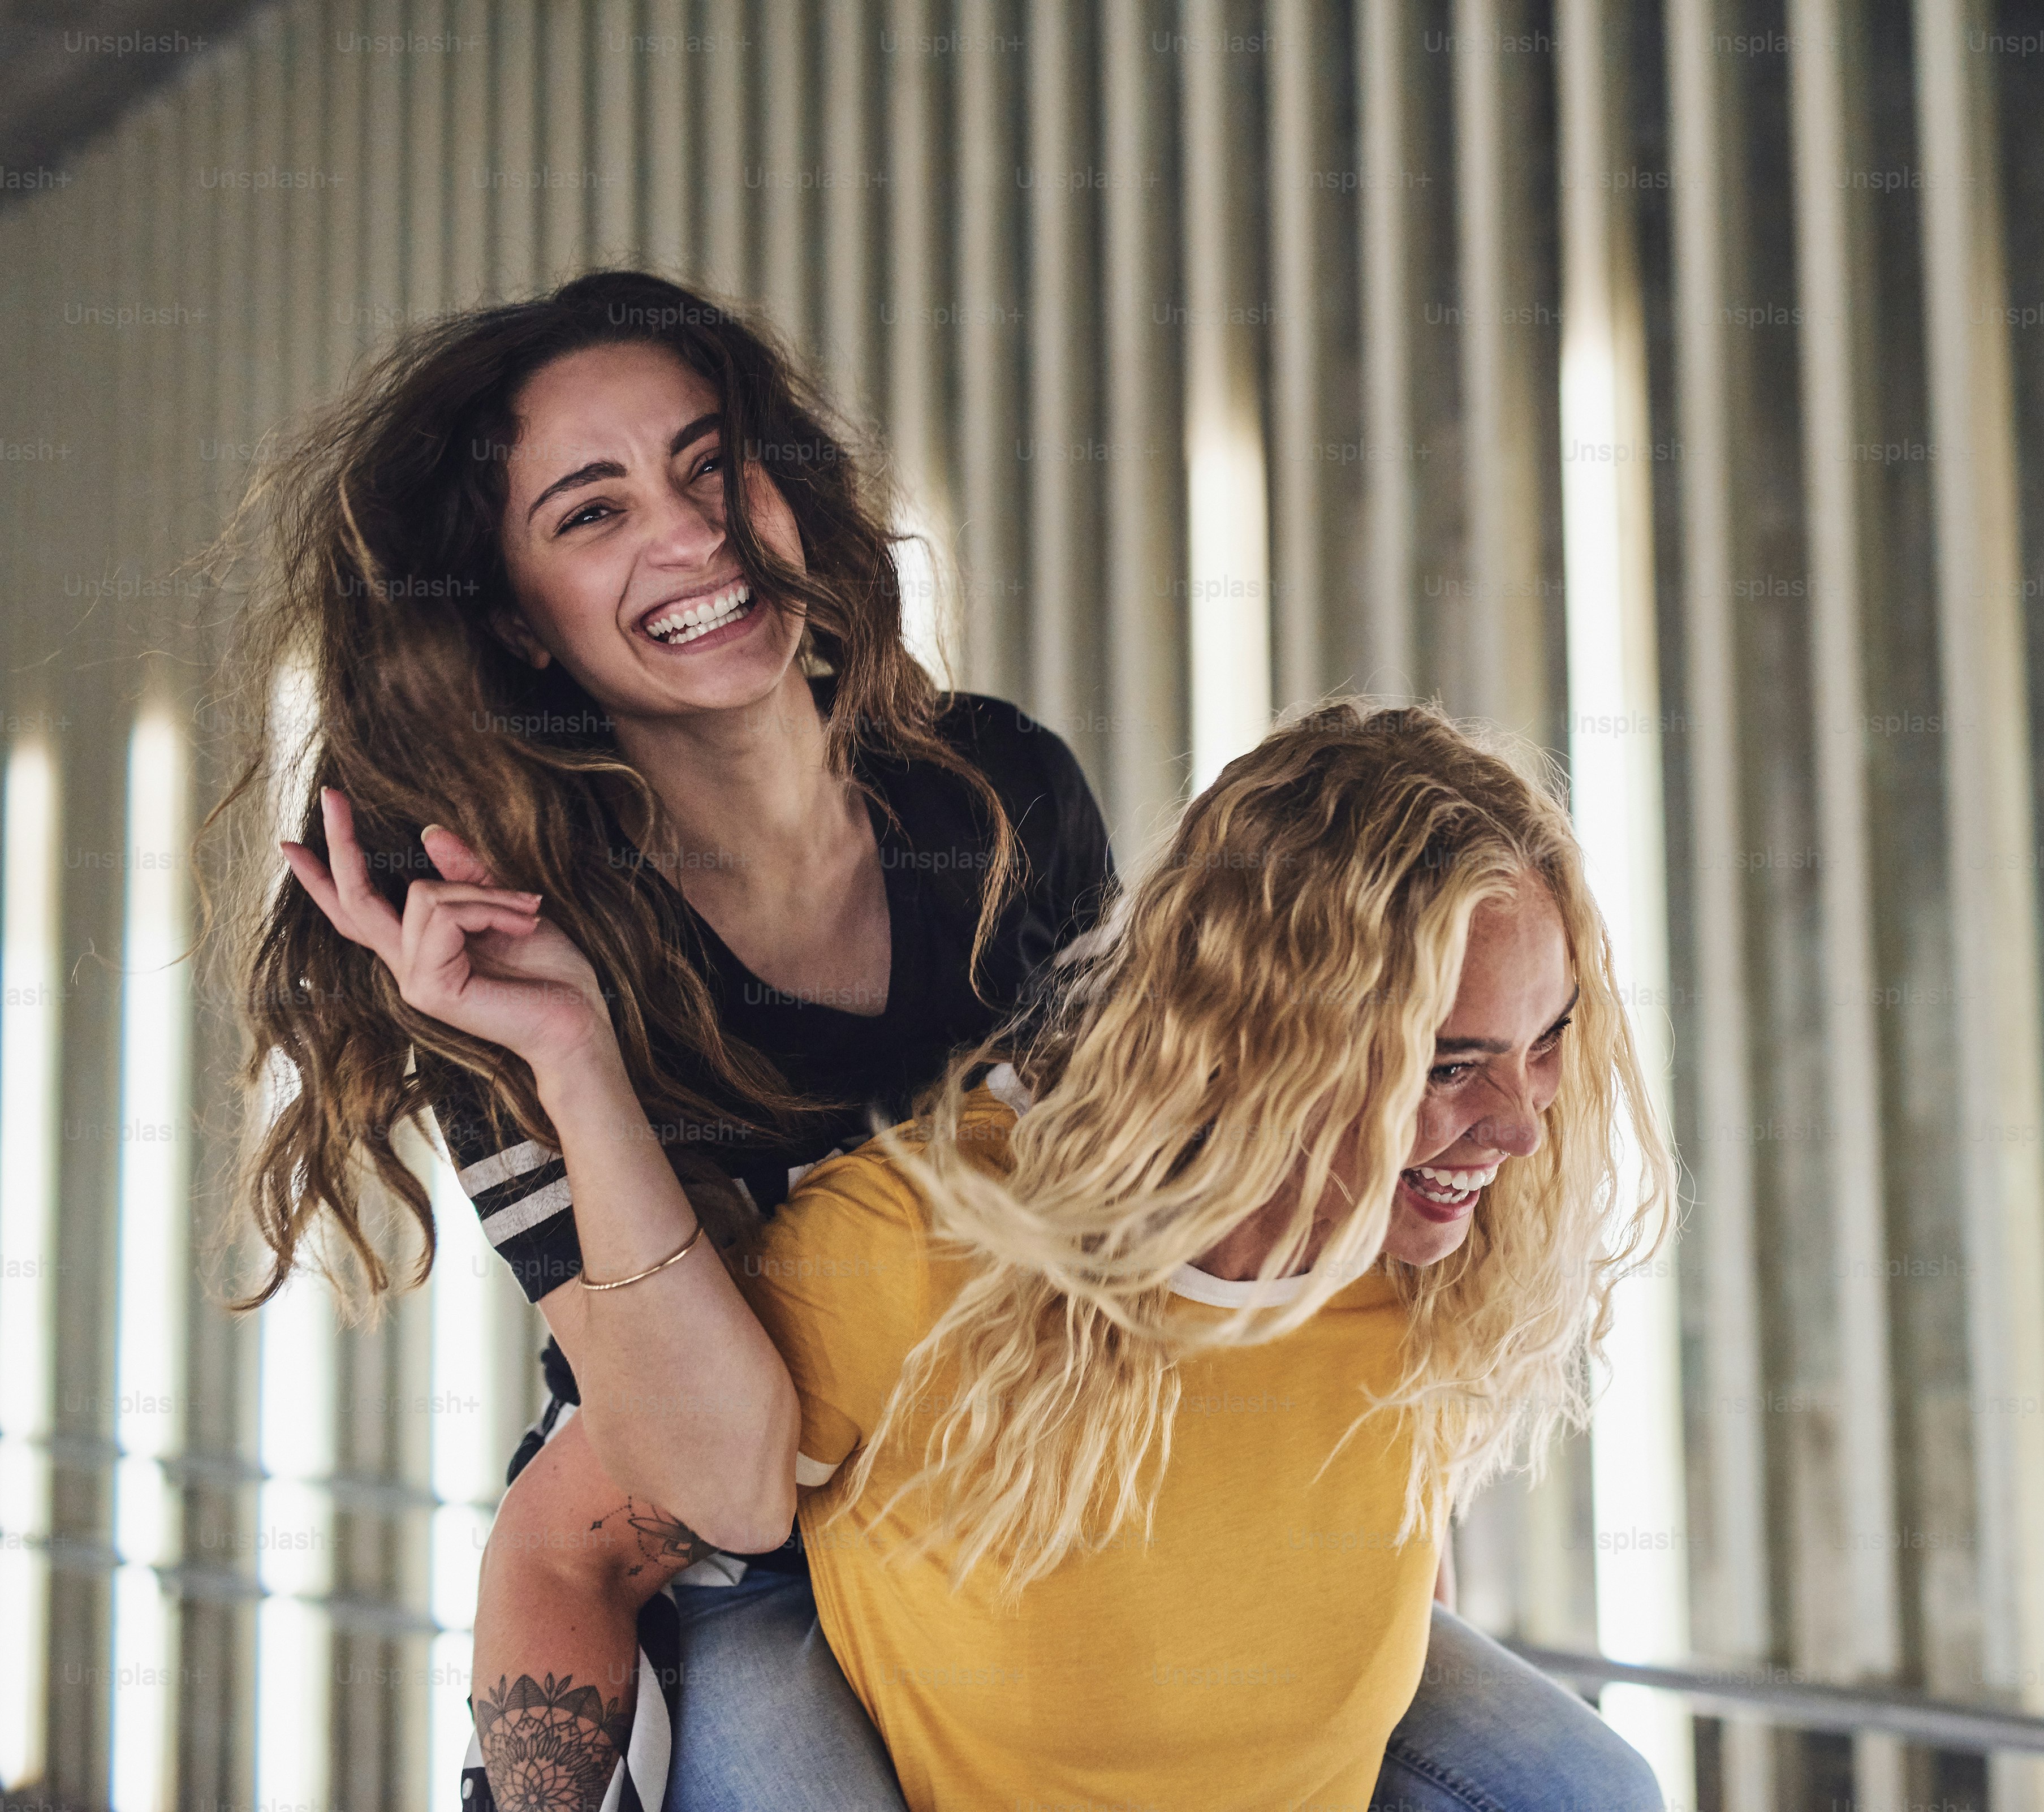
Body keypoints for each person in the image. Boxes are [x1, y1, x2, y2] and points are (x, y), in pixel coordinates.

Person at [218, 271, 1668, 1810]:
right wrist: (572, 1056)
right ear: (514, 614)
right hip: (744, 1536)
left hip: (1037, 1427)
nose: (691, 533)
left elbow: (1137, 1144)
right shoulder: (510, 953)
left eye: (715, 467)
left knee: (1581, 1783)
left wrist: (1327, 1546)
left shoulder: (990, 790)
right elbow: (716, 1487)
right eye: (594, 512)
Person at [504, 702, 1673, 1810]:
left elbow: (1377, 1567)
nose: (1524, 1126)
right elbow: (564, 1553)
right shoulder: (911, 1255)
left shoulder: (1423, 1235)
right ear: (1262, 1031)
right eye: (1450, 1063)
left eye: (1550, 1037)